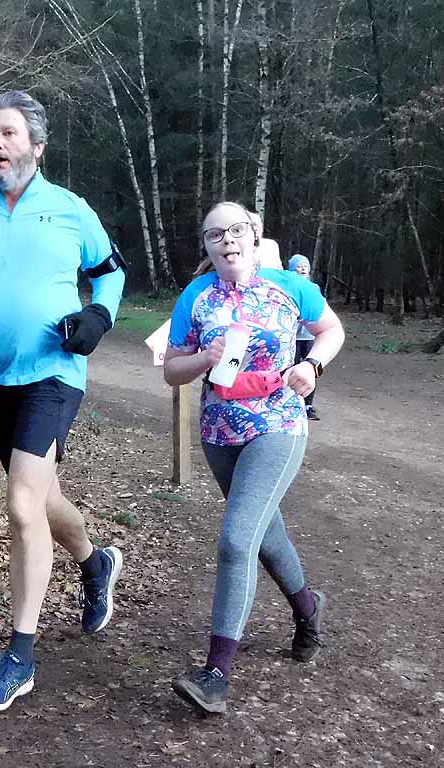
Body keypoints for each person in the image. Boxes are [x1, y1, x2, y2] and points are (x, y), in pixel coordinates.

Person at [0, 90, 126, 712]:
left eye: (9, 134)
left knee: (19, 504)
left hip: (54, 371)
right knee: (40, 498)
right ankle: (95, 563)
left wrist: (98, 313)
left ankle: (20, 655)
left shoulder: (70, 209)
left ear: (37, 147)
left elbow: (111, 270)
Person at [163, 201, 345, 715]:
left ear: (256, 234)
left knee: (237, 537)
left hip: (279, 426)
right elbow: (172, 371)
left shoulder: (291, 287)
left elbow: (332, 329)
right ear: (206, 245)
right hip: (220, 434)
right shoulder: (195, 297)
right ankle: (308, 607)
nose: (227, 240)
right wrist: (204, 358)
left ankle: (216, 674)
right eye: (215, 234)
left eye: (237, 230)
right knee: (266, 535)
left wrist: (312, 365)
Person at [288, 254, 320, 420]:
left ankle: (308, 405)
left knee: (312, 370)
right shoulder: (287, 287)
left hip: (309, 337)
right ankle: (289, 402)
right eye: (298, 266)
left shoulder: (314, 288)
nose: (302, 268)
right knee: (289, 370)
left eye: (304, 266)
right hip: (292, 338)